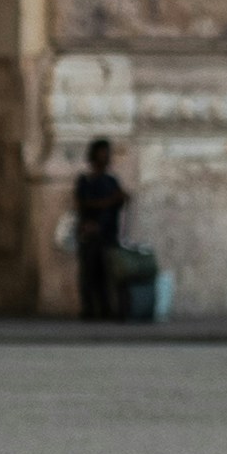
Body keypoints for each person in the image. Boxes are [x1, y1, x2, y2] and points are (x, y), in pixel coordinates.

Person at [64, 134, 129, 322]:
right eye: (102, 153)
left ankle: (107, 309)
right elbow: (84, 203)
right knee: (89, 274)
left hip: (108, 234)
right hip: (90, 233)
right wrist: (110, 201)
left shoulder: (111, 181)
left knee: (106, 273)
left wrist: (121, 199)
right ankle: (90, 309)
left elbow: (118, 202)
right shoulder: (86, 180)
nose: (105, 157)